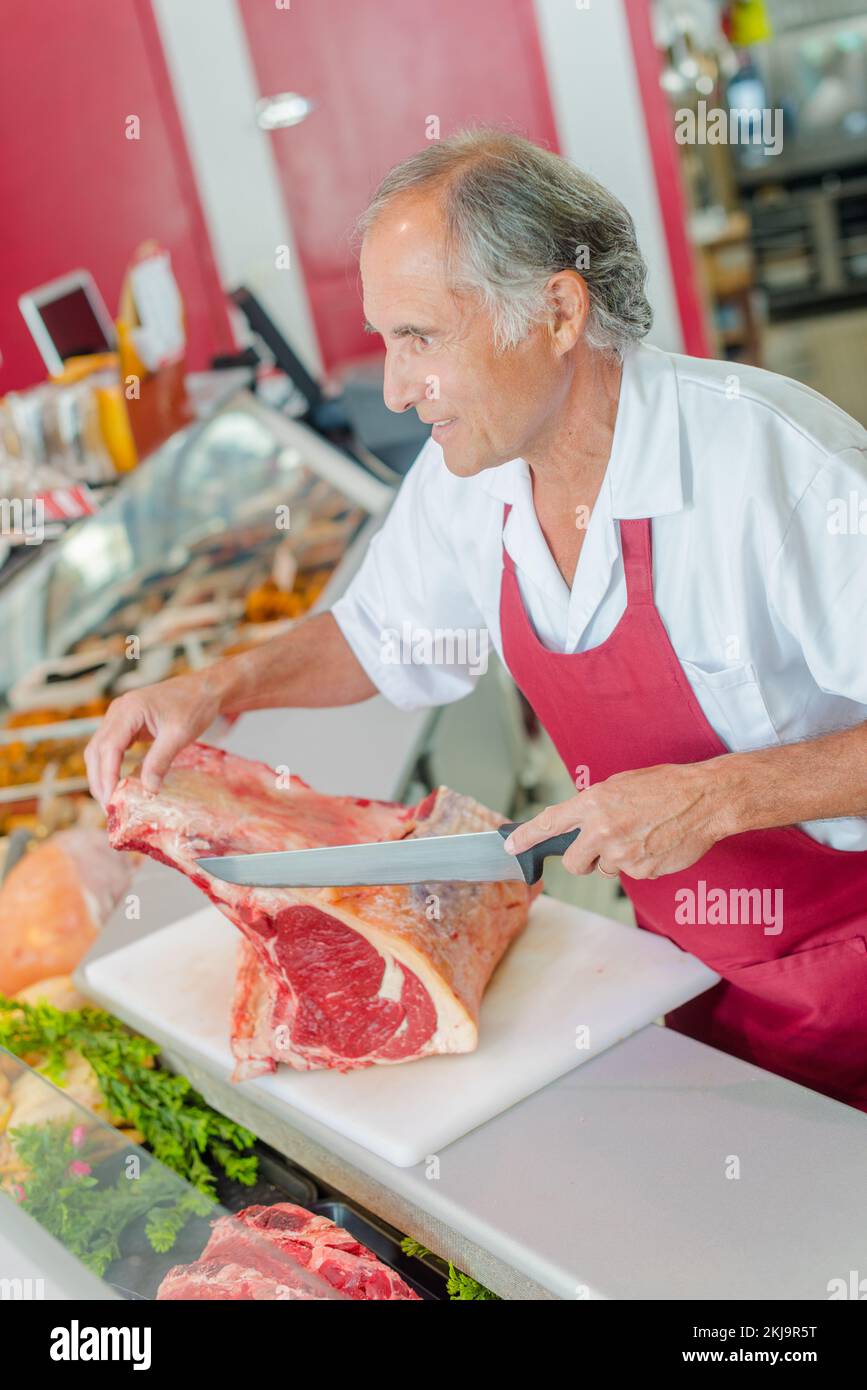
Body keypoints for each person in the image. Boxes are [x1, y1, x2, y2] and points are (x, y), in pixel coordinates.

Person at [86, 129, 867, 1110]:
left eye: (420, 338)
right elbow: (374, 634)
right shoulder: (475, 470)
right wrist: (216, 686)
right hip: (686, 973)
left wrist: (714, 798)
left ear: (556, 310)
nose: (398, 386)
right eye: (387, 341)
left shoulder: (774, 465)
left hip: (853, 976)